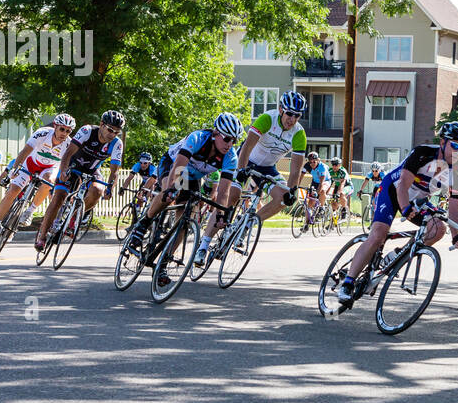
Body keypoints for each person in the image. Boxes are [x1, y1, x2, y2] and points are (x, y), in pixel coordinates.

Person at [335, 121, 458, 307]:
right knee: (378, 234)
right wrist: (406, 209)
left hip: (418, 199)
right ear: (442, 142)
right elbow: (404, 185)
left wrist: (457, 235)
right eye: (455, 145)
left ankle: (397, 256)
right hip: (392, 190)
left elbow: (455, 209)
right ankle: (347, 283)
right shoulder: (423, 153)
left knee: (438, 229)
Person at [127, 113, 242, 273]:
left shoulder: (230, 157)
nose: (230, 144)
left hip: (192, 177)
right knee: (171, 193)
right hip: (173, 165)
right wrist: (172, 188)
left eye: (234, 140)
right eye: (227, 138)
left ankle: (163, 264)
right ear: (216, 134)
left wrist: (221, 214)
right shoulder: (198, 138)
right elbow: (179, 165)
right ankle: (143, 223)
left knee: (186, 221)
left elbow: (224, 192)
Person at [35, 111, 125, 252]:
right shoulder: (87, 131)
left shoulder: (116, 143)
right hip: (72, 165)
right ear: (101, 125)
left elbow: (114, 171)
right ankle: (42, 235)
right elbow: (68, 153)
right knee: (58, 198)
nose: (112, 134)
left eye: (116, 132)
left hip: (92, 170)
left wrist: (110, 188)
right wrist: (64, 170)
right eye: (110, 130)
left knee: (98, 190)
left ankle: (75, 217)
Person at [0, 113, 74, 244]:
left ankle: (30, 211)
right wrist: (15, 169)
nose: (64, 133)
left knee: (49, 180)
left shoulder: (68, 144)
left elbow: (67, 164)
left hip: (49, 168)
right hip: (31, 163)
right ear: (55, 126)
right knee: (12, 191)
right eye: (62, 129)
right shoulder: (42, 133)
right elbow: (25, 151)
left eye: (68, 131)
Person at [226, 90, 308, 227]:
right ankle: (207, 241)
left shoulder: (299, 134)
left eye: (297, 116)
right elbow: (247, 148)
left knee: (285, 198)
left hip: (267, 168)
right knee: (233, 195)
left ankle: (248, 224)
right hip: (246, 160)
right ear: (281, 109)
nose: (292, 119)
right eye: (289, 113)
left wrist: (291, 191)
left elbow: (295, 171)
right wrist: (241, 170)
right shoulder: (268, 119)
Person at [299, 152, 330, 227]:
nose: (312, 163)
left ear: (318, 160)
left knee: (322, 191)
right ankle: (306, 224)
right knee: (310, 203)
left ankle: (322, 207)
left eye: (314, 161)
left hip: (325, 181)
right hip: (315, 181)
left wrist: (318, 191)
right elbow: (301, 176)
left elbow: (322, 181)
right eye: (310, 162)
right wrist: (297, 185)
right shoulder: (307, 165)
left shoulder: (322, 167)